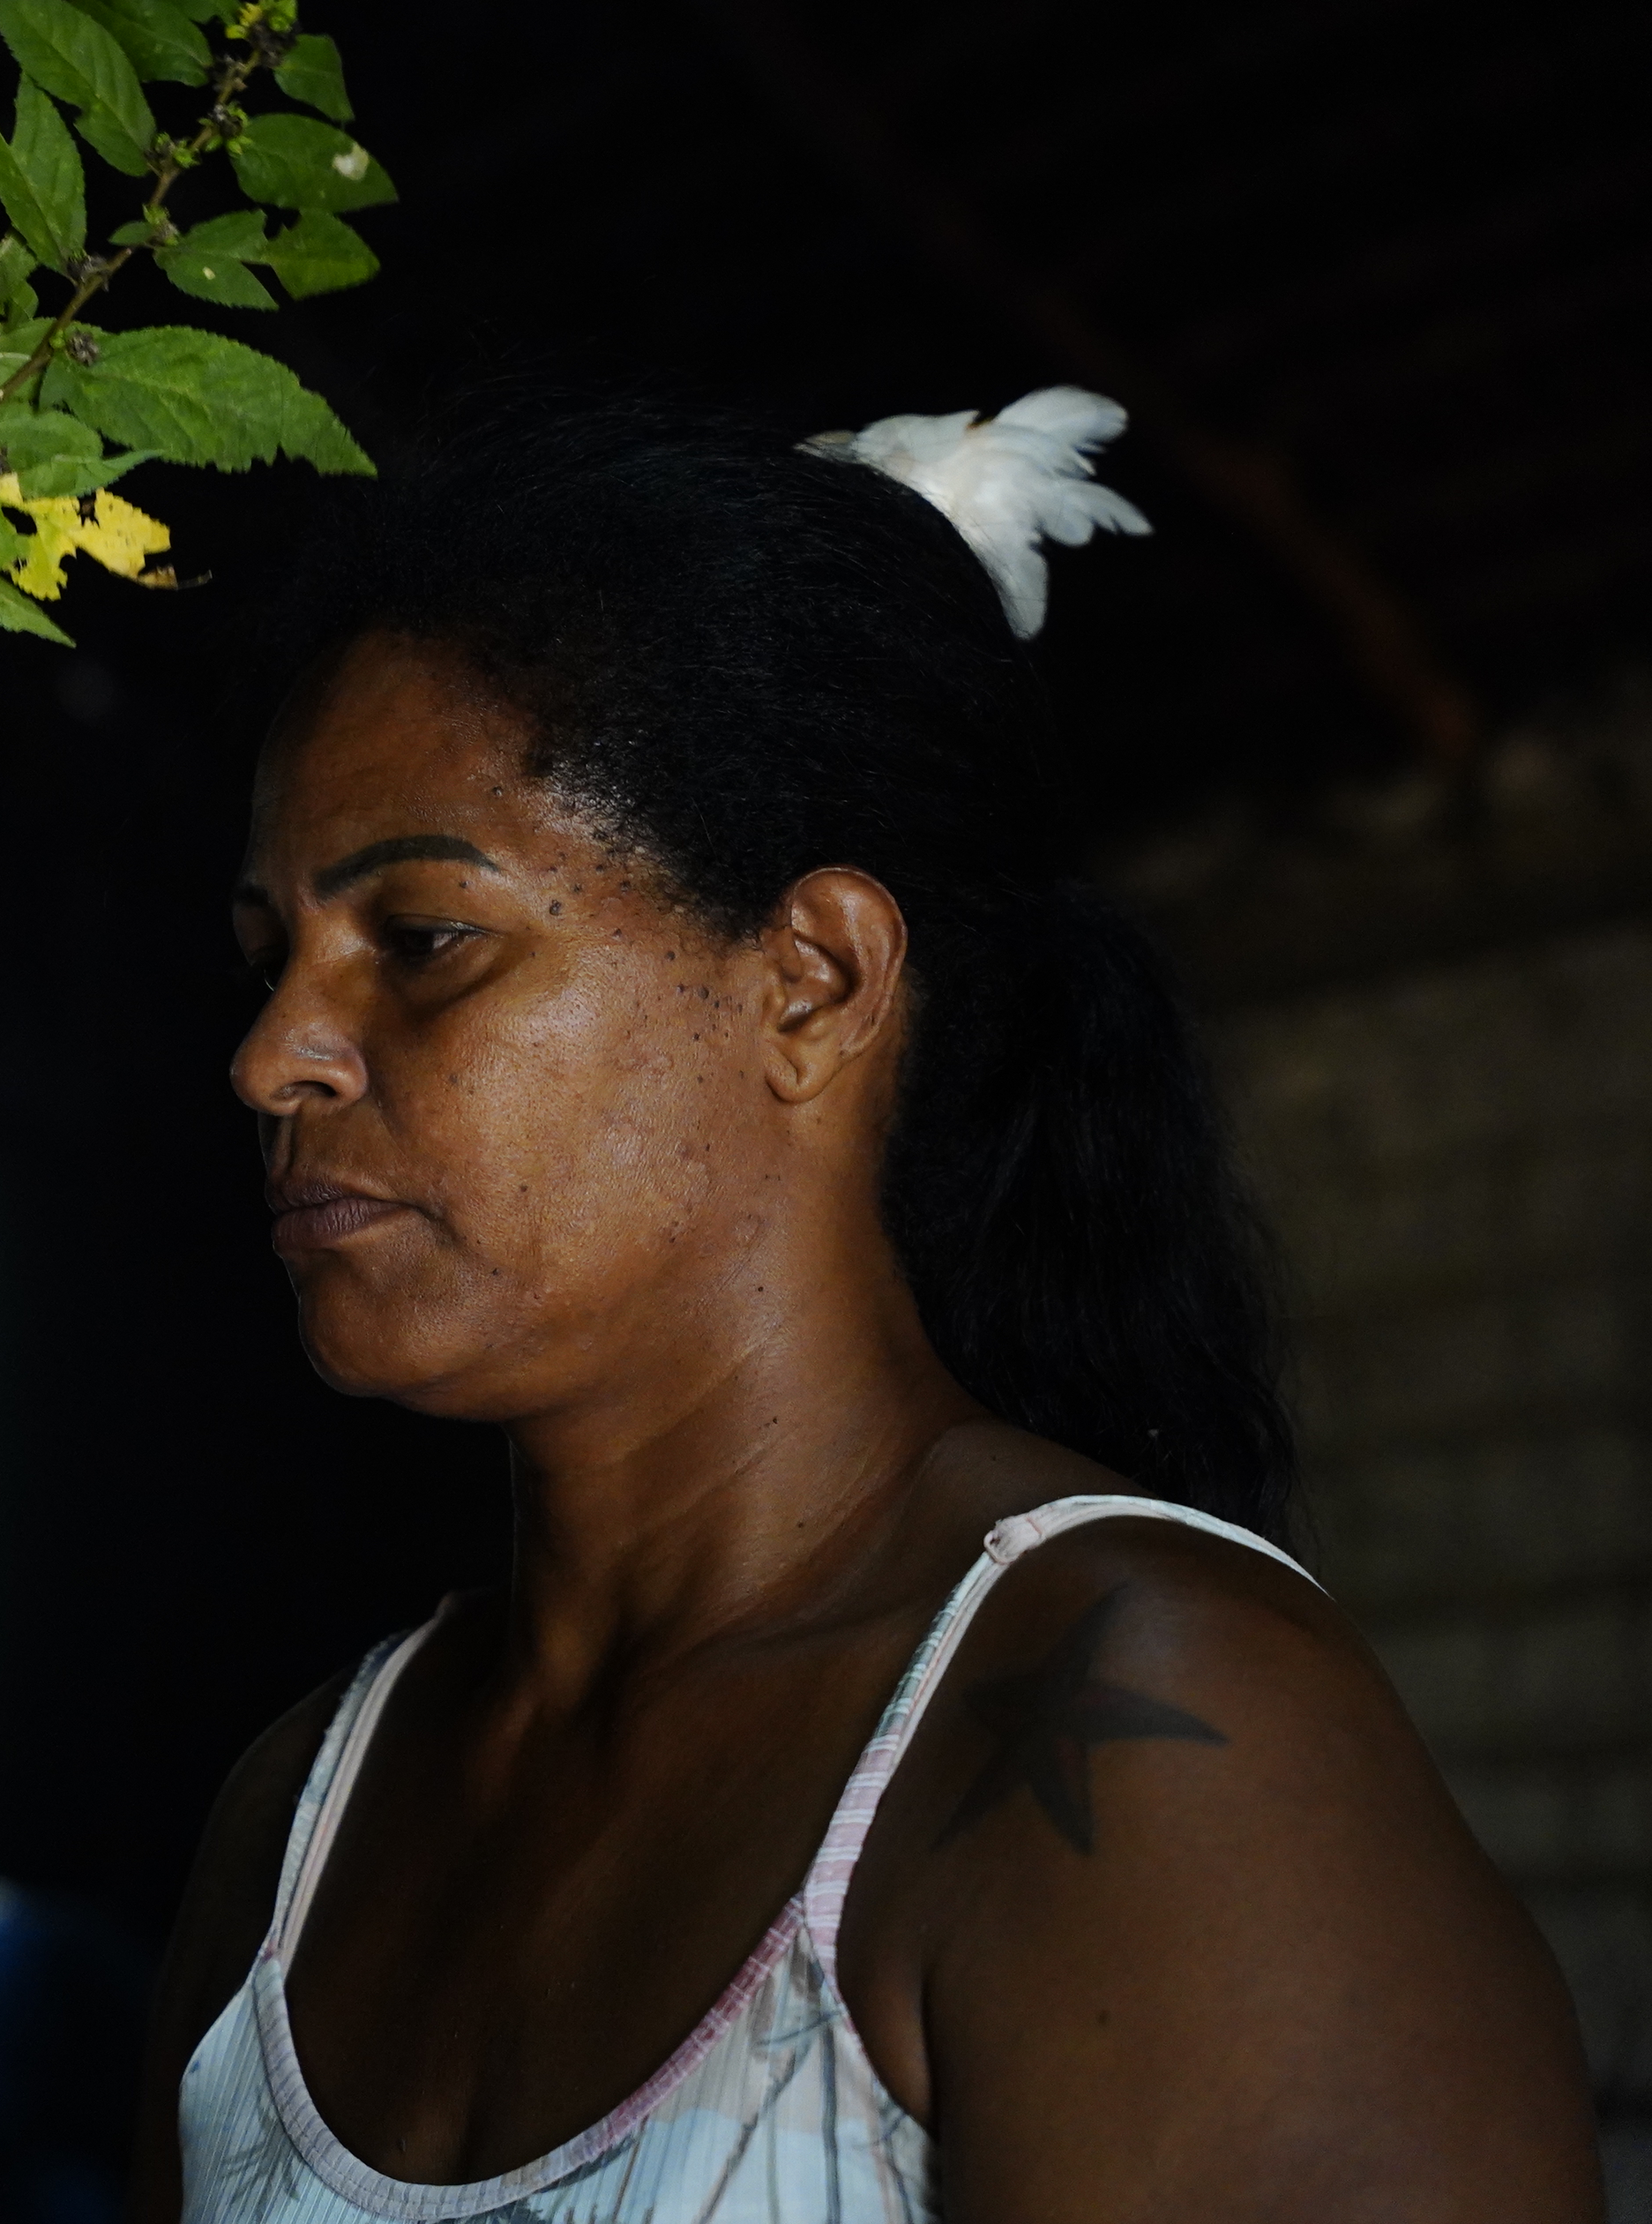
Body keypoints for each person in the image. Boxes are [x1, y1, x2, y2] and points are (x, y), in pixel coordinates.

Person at [140, 386, 1603, 2220]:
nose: (273, 1053)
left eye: (423, 939)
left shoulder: (1150, 1740)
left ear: (814, 983)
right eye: (270, 957)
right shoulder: (305, 1820)